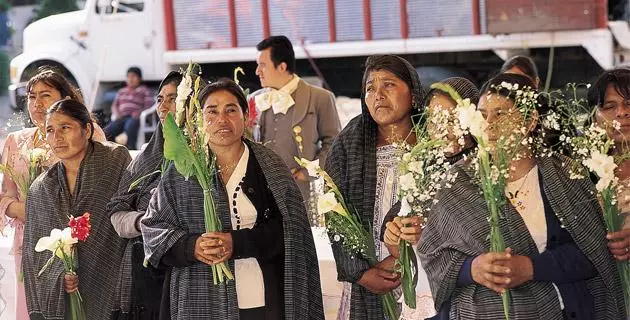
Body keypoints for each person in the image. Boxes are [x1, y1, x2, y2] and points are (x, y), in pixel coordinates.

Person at [419, 73, 625, 319]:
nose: (489, 124)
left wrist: (530, 268)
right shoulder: (457, 182)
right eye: (483, 115)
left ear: (529, 121)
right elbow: (434, 255)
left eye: (500, 114)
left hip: (566, 309)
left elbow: (595, 251)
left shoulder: (566, 173)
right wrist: (472, 269)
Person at [141, 79, 324, 319]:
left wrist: (237, 243)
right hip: (197, 300)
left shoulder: (269, 166)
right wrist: (191, 247)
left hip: (260, 299)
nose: (221, 119)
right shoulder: (180, 171)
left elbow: (291, 231)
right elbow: (153, 228)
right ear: (199, 118)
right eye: (212, 111)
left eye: (231, 110)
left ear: (245, 116)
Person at [325, 54, 425, 320]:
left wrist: (404, 255)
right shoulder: (350, 141)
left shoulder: (432, 138)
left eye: (389, 85)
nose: (378, 94)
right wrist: (361, 272)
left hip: (426, 271)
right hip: (368, 277)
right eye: (370, 88)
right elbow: (334, 212)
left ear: (413, 94)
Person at [0, 68, 106, 319]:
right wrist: (27, 210)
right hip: (28, 241)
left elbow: (99, 190)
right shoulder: (16, 141)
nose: (37, 104)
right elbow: (5, 195)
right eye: (31, 96)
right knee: (32, 306)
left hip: (77, 239)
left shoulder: (87, 134)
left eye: (45, 95)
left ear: (65, 98)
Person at [22, 99, 132, 319]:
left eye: (65, 127)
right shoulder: (41, 189)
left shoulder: (114, 161)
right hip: (66, 303)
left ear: (87, 129)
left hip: (113, 287)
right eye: (50, 130)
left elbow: (130, 217)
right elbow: (34, 255)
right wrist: (59, 275)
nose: (57, 138)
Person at [380, 77, 480, 319]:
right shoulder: (425, 165)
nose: (442, 130)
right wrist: (394, 230)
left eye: (451, 119)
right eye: (434, 120)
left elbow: (481, 235)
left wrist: (430, 232)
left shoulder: (485, 170)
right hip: (425, 285)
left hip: (471, 295)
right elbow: (399, 212)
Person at [106, 71, 184, 320]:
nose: (163, 106)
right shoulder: (144, 159)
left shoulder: (209, 156)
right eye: (160, 99)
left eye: (173, 99)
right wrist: (142, 222)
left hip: (189, 272)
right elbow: (117, 209)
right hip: (144, 273)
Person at [251, 35, 341, 206]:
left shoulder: (320, 98)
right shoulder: (254, 100)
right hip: (263, 194)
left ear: (282, 66)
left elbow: (333, 143)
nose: (257, 71)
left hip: (305, 194)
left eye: (262, 65)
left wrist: (306, 173)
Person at [590, 68, 630, 264]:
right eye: (609, 106)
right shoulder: (583, 171)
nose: (622, 112)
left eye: (629, 104)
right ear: (595, 117)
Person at [104, 66, 154, 150]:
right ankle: (111, 150)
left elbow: (149, 106)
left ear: (140, 78)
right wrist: (117, 113)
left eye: (133, 76)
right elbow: (114, 106)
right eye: (129, 77)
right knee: (109, 130)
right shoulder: (122, 91)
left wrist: (139, 112)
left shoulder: (144, 90)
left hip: (134, 117)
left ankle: (131, 149)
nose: (131, 79)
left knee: (130, 126)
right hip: (121, 117)